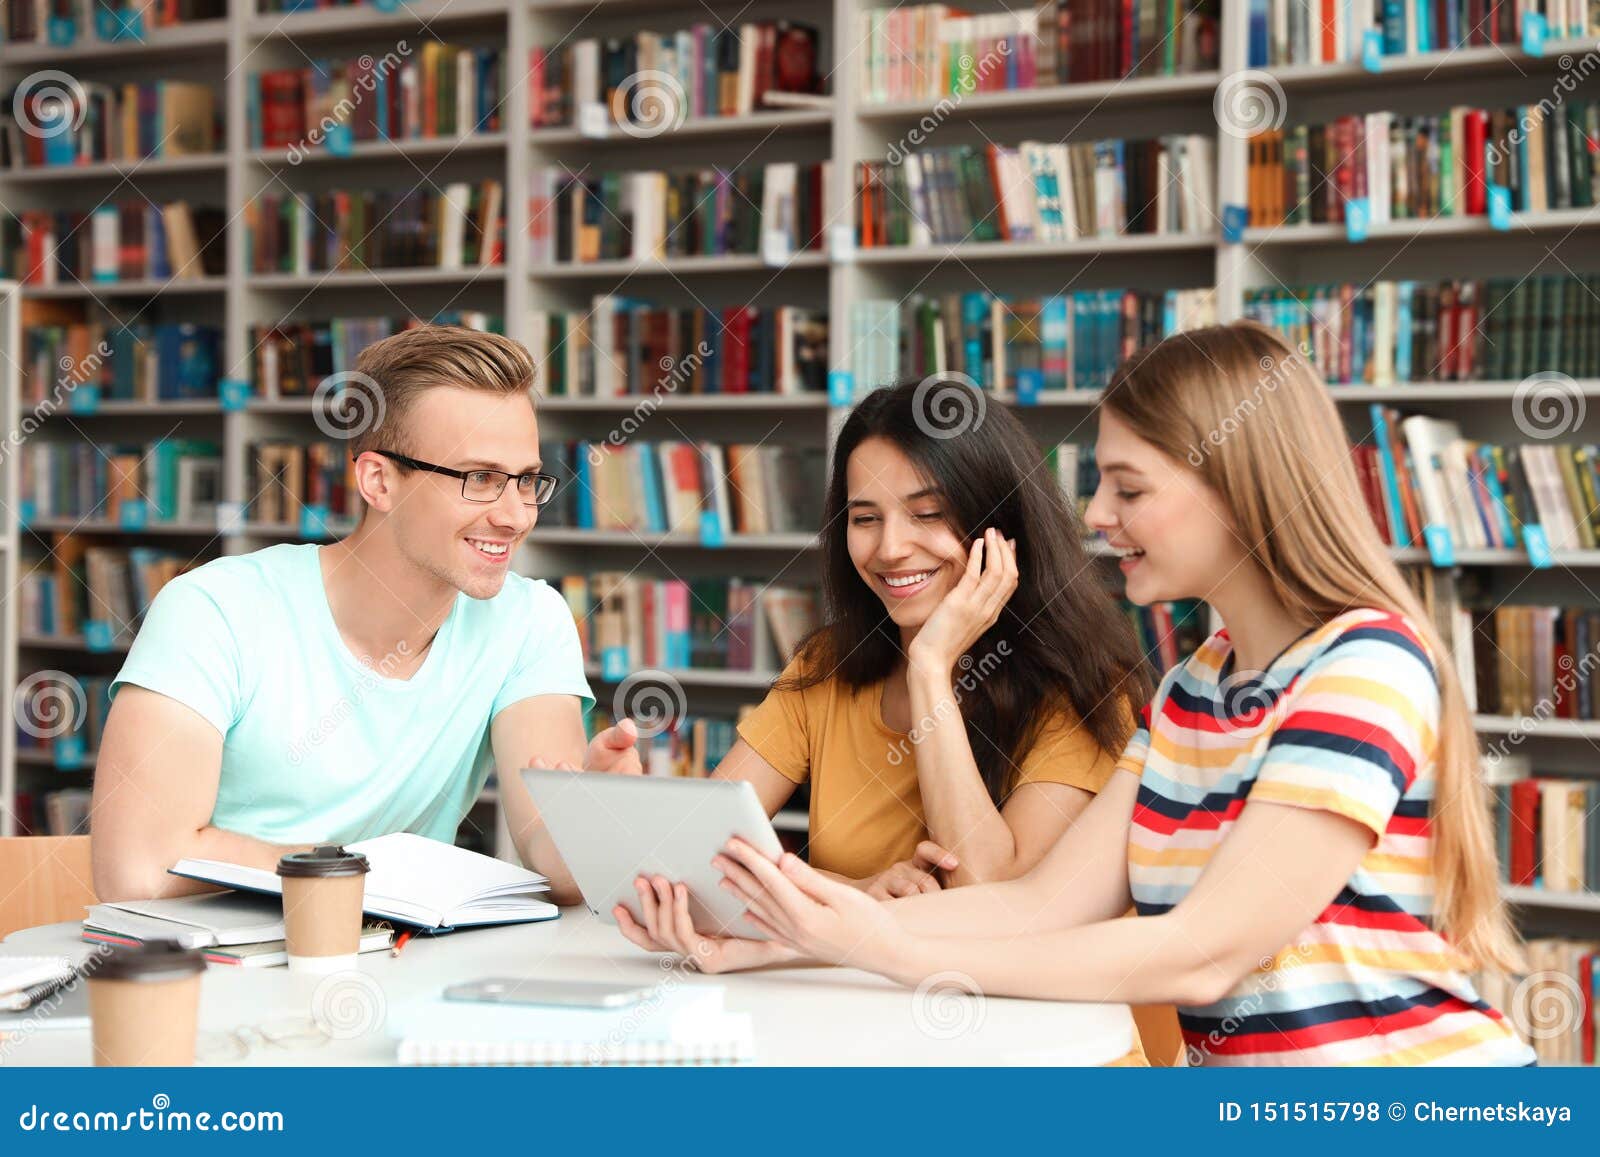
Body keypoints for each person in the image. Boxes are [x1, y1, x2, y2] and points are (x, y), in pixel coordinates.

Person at [682, 323, 1535, 1066]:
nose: (1094, 513)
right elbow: (1034, 907)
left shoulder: (1367, 666)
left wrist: (884, 945)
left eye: (1129, 489)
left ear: (1241, 488)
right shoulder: (1193, 689)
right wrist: (783, 937)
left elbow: (1201, 954)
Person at [90, 325, 640, 903]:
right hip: (217, 971)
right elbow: (136, 871)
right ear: (379, 479)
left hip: (398, 969)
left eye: (525, 481)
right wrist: (364, 876)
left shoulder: (530, 621)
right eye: (479, 479)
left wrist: (596, 823)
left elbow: (557, 867)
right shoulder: (212, 611)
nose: (516, 516)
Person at [614, 377, 1150, 922]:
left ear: (1002, 526)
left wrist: (930, 668)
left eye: (928, 513)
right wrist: (858, 891)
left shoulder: (1086, 690)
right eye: (865, 519)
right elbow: (702, 852)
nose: (890, 550)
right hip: (840, 989)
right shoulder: (827, 666)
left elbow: (986, 896)